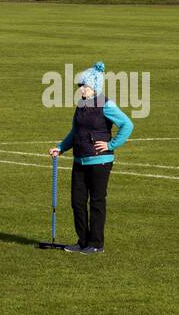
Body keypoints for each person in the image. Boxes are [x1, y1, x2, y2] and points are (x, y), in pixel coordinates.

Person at [49, 61, 134, 254]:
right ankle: (83, 241)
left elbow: (127, 125)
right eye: (80, 86)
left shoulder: (107, 104)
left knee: (96, 201)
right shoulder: (81, 106)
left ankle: (96, 244)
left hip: (100, 162)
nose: (82, 90)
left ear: (94, 87)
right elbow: (75, 132)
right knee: (77, 201)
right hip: (79, 160)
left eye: (85, 86)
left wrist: (111, 145)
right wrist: (61, 148)